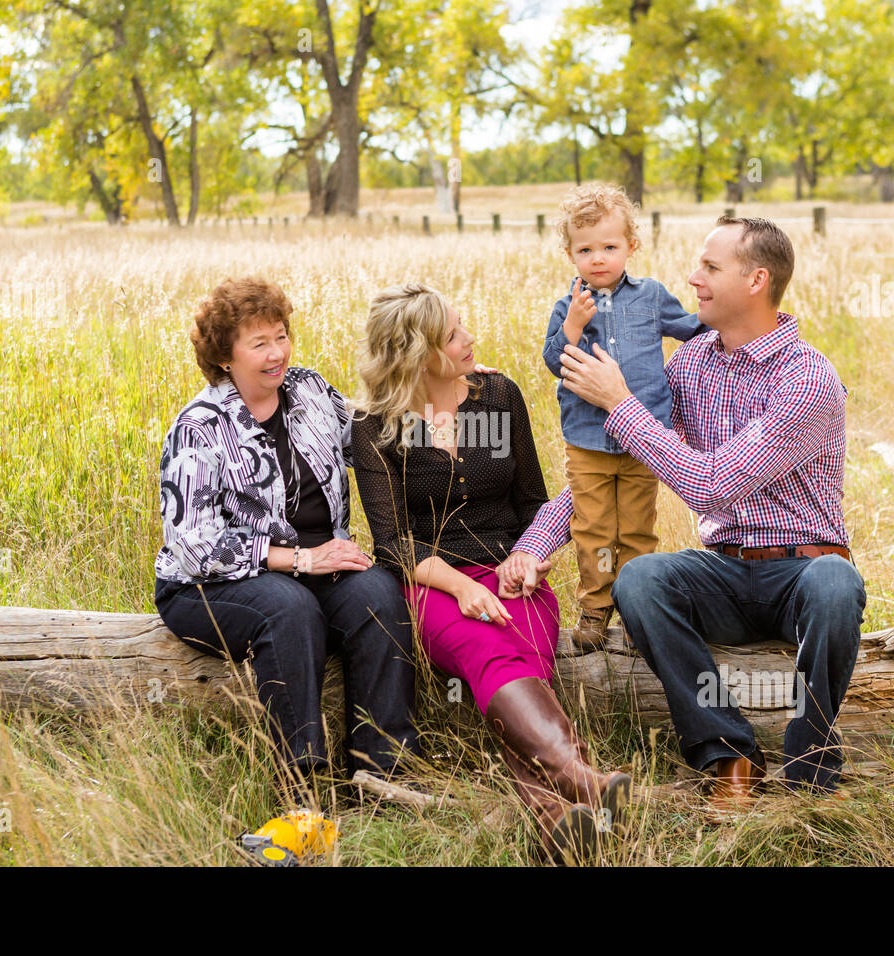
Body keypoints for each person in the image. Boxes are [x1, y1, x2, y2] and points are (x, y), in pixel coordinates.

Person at [508, 217, 865, 819]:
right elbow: (612, 467)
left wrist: (620, 403)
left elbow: (715, 486)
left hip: (804, 574)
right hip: (723, 573)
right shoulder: (692, 365)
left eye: (710, 268)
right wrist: (536, 546)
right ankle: (728, 755)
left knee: (836, 585)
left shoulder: (807, 378)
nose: (693, 278)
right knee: (641, 579)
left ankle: (811, 771)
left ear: (756, 280)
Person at [352, 281, 631, 864]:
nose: (469, 338)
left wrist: (531, 554)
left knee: (519, 641)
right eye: (453, 334)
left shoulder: (498, 396)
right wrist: (460, 588)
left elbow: (534, 501)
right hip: (434, 583)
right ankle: (583, 783)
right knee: (489, 645)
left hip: (512, 571)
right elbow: (395, 544)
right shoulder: (375, 429)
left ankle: (559, 822)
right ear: (416, 352)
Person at [153, 276, 419, 793]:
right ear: (225, 357)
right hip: (209, 585)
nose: (277, 353)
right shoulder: (198, 427)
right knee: (288, 606)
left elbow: (371, 433)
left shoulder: (309, 389)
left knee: (379, 594)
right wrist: (297, 560)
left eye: (281, 336)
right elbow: (193, 546)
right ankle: (300, 783)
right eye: (259, 344)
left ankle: (384, 771)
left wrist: (447, 383)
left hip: (315, 565)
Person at [542, 183, 705, 648]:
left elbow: (691, 329)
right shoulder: (568, 306)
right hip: (588, 440)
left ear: (631, 246)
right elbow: (555, 361)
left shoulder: (651, 296)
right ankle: (595, 607)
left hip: (641, 440)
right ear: (570, 254)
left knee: (636, 527)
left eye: (609, 247)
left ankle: (637, 607)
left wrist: (729, 318)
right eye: (585, 249)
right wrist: (573, 325)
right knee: (593, 528)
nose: (598, 258)